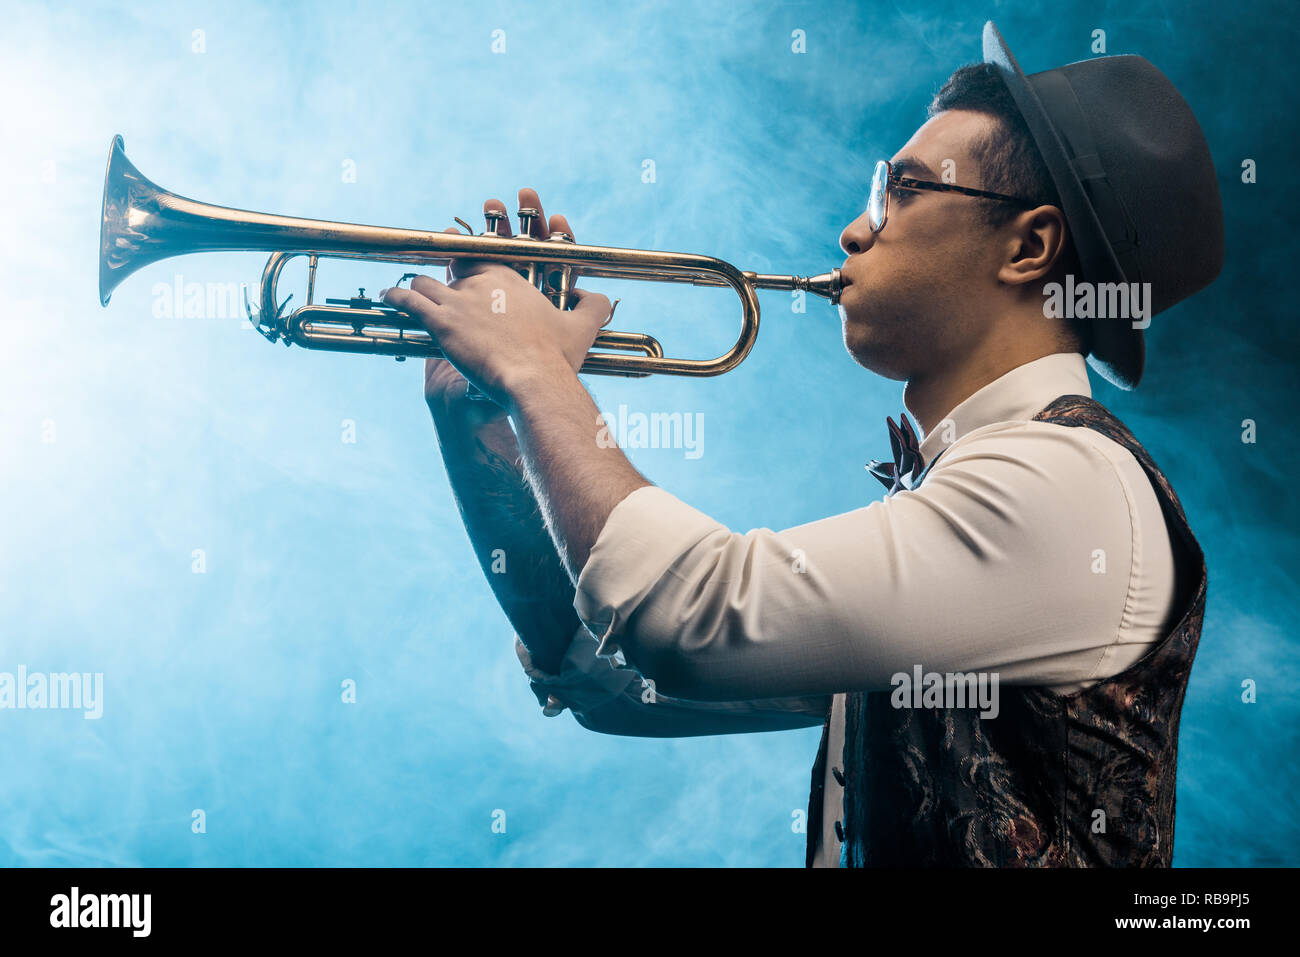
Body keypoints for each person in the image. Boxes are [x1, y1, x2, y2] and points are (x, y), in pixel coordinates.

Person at [382, 21, 1223, 866]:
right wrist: (486, 428)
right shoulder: (979, 498)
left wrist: (536, 373)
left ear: (1030, 245)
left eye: (903, 192)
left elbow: (690, 620)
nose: (856, 231)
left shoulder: (1068, 485)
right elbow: (615, 683)